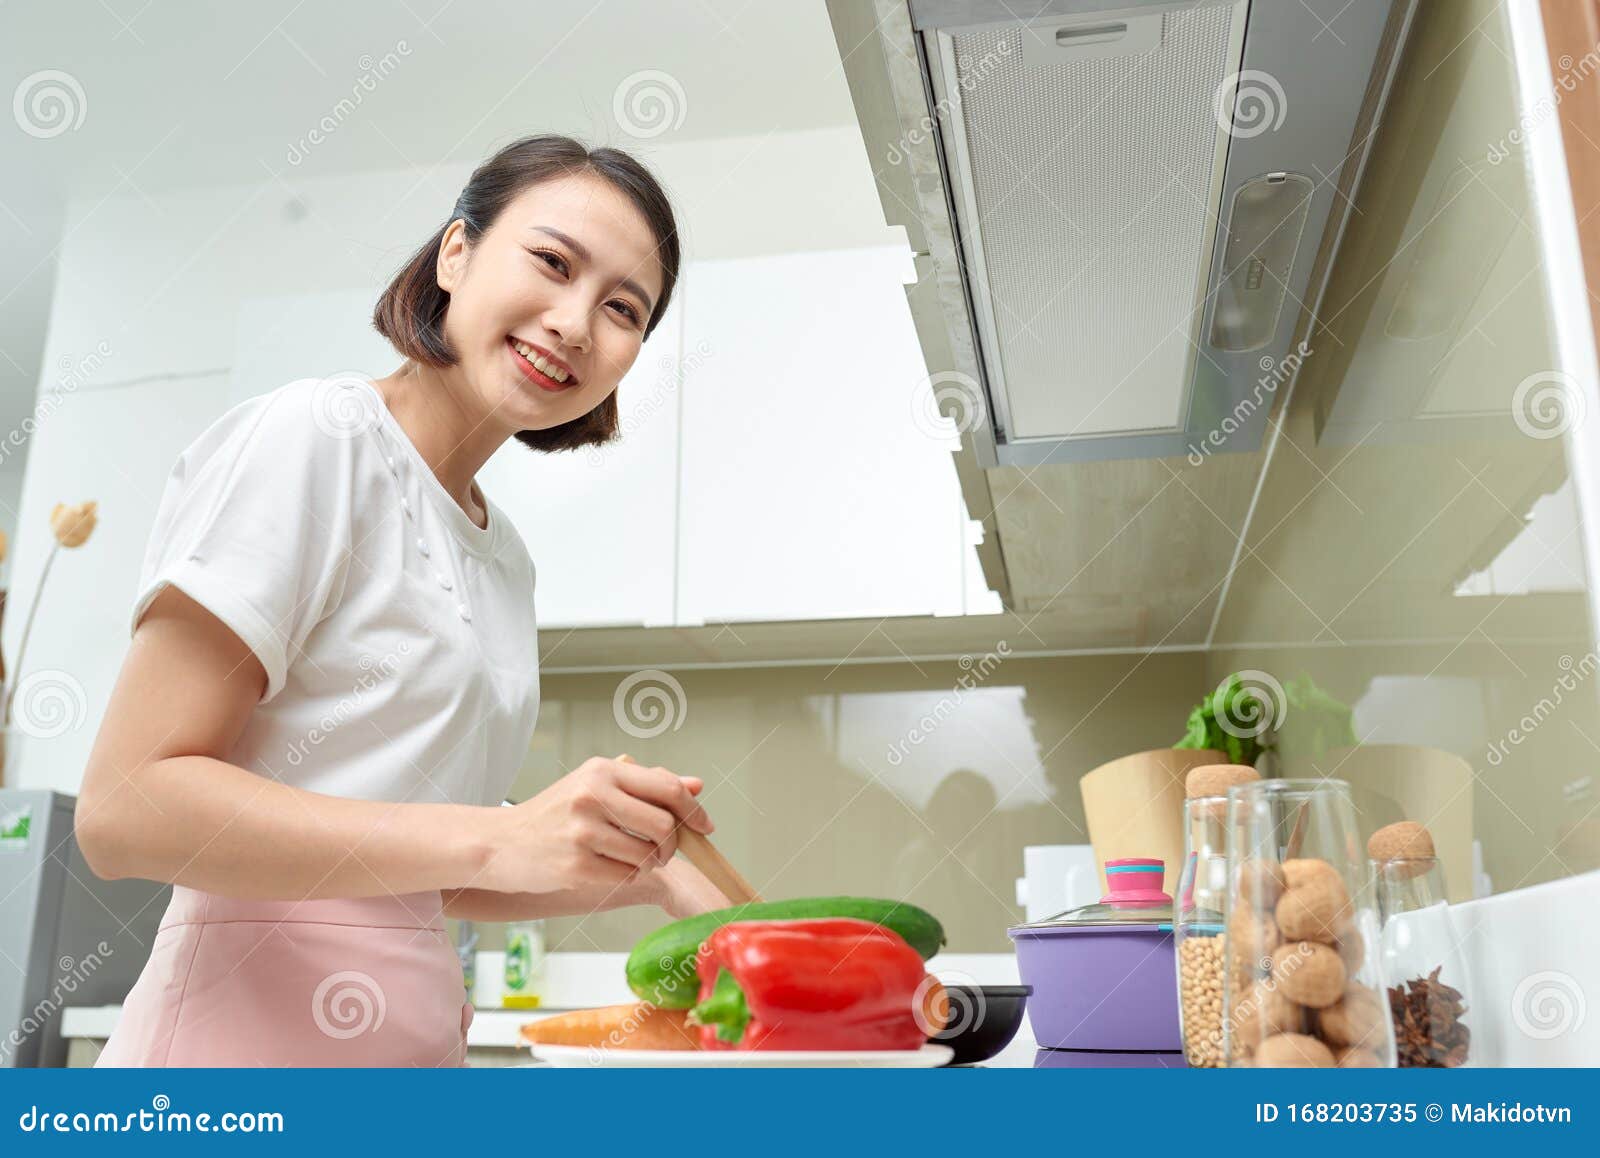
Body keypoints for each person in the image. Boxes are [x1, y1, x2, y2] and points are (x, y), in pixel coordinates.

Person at [77, 135, 726, 1067]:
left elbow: (415, 875)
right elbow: (124, 807)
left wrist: (645, 878)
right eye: (552, 262)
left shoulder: (505, 561)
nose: (577, 323)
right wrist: (500, 835)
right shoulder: (316, 439)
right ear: (455, 255)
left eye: (623, 309)